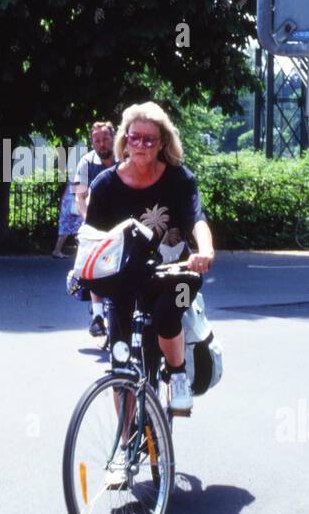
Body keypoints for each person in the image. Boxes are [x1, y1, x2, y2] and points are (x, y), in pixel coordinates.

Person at [83, 101, 215, 415]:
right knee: (120, 362)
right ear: (124, 140)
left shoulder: (179, 179)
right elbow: (90, 237)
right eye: (135, 137)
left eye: (149, 139)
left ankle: (178, 374)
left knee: (169, 311)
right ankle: (124, 447)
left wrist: (205, 251)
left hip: (178, 274)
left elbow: (197, 218)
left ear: (162, 144)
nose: (141, 145)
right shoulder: (104, 185)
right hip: (124, 280)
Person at [73, 120, 116, 337]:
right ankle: (98, 316)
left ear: (114, 138)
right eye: (97, 140)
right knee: (92, 265)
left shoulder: (126, 159)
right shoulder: (85, 163)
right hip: (96, 223)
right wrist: (87, 220)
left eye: (105, 139)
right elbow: (79, 197)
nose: (101, 144)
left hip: (123, 222)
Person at [52, 177, 82, 258]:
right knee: (80, 228)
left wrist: (61, 202)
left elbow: (67, 190)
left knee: (65, 228)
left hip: (66, 203)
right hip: (73, 204)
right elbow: (75, 191)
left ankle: (57, 250)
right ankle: (80, 253)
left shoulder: (71, 177)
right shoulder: (80, 176)